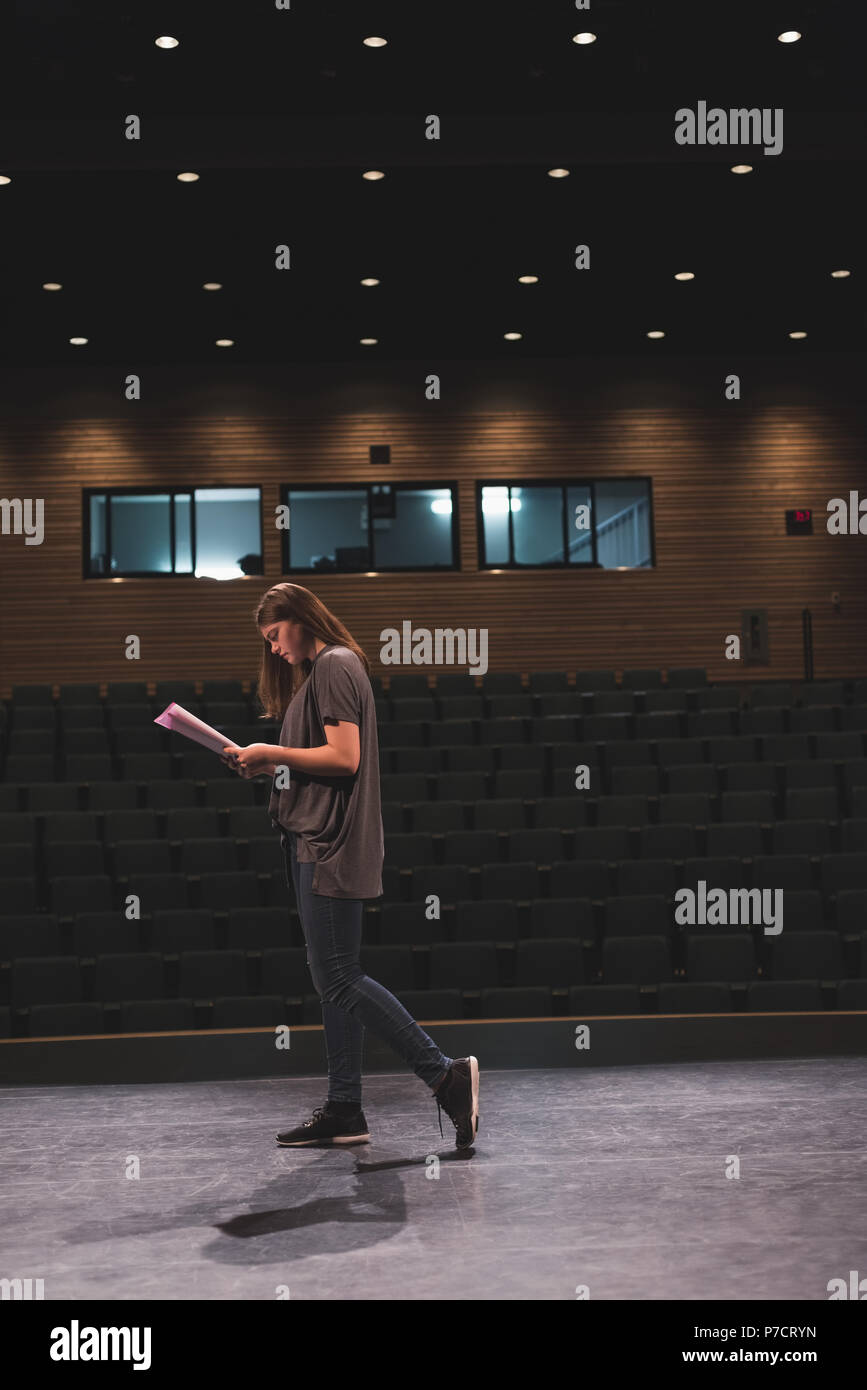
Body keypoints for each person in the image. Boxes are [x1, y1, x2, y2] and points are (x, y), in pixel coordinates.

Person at [222, 581, 480, 1151]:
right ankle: (345, 1109)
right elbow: (323, 764)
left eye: (274, 635)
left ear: (299, 617)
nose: (273, 649)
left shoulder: (335, 663)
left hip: (329, 845)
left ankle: (444, 1075)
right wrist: (266, 769)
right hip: (315, 840)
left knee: (338, 977)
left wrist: (270, 754)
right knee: (333, 981)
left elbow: (345, 757)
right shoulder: (323, 671)